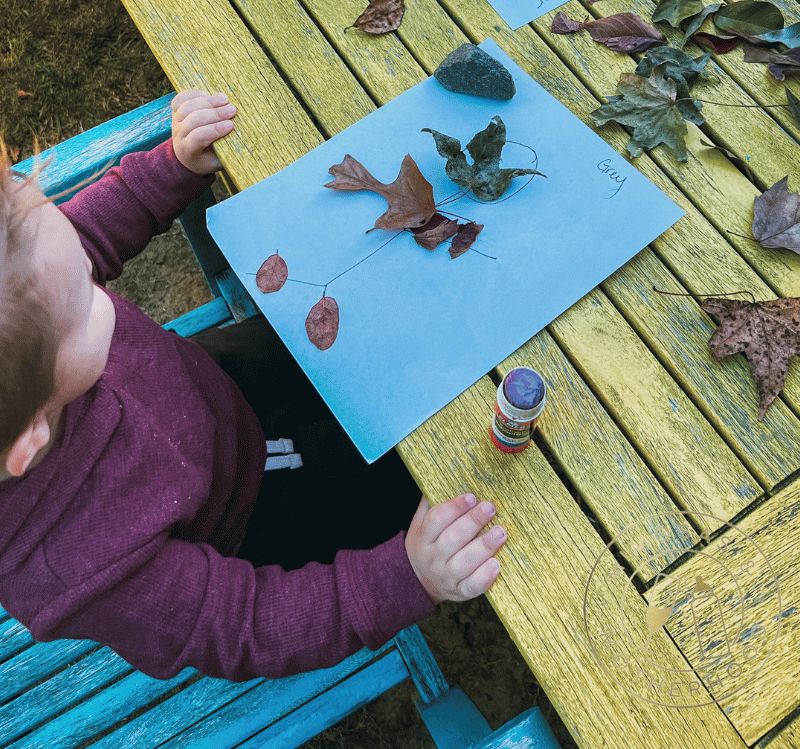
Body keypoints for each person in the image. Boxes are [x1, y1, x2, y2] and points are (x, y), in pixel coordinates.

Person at [0, 91, 508, 681]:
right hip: (253, 510)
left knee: (371, 336)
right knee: (413, 469)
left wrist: (168, 170)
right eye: (87, 304)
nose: (99, 288)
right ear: (30, 437)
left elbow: (76, 238)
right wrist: (407, 576)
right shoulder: (83, 562)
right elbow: (245, 627)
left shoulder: (29, 316)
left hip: (205, 384)